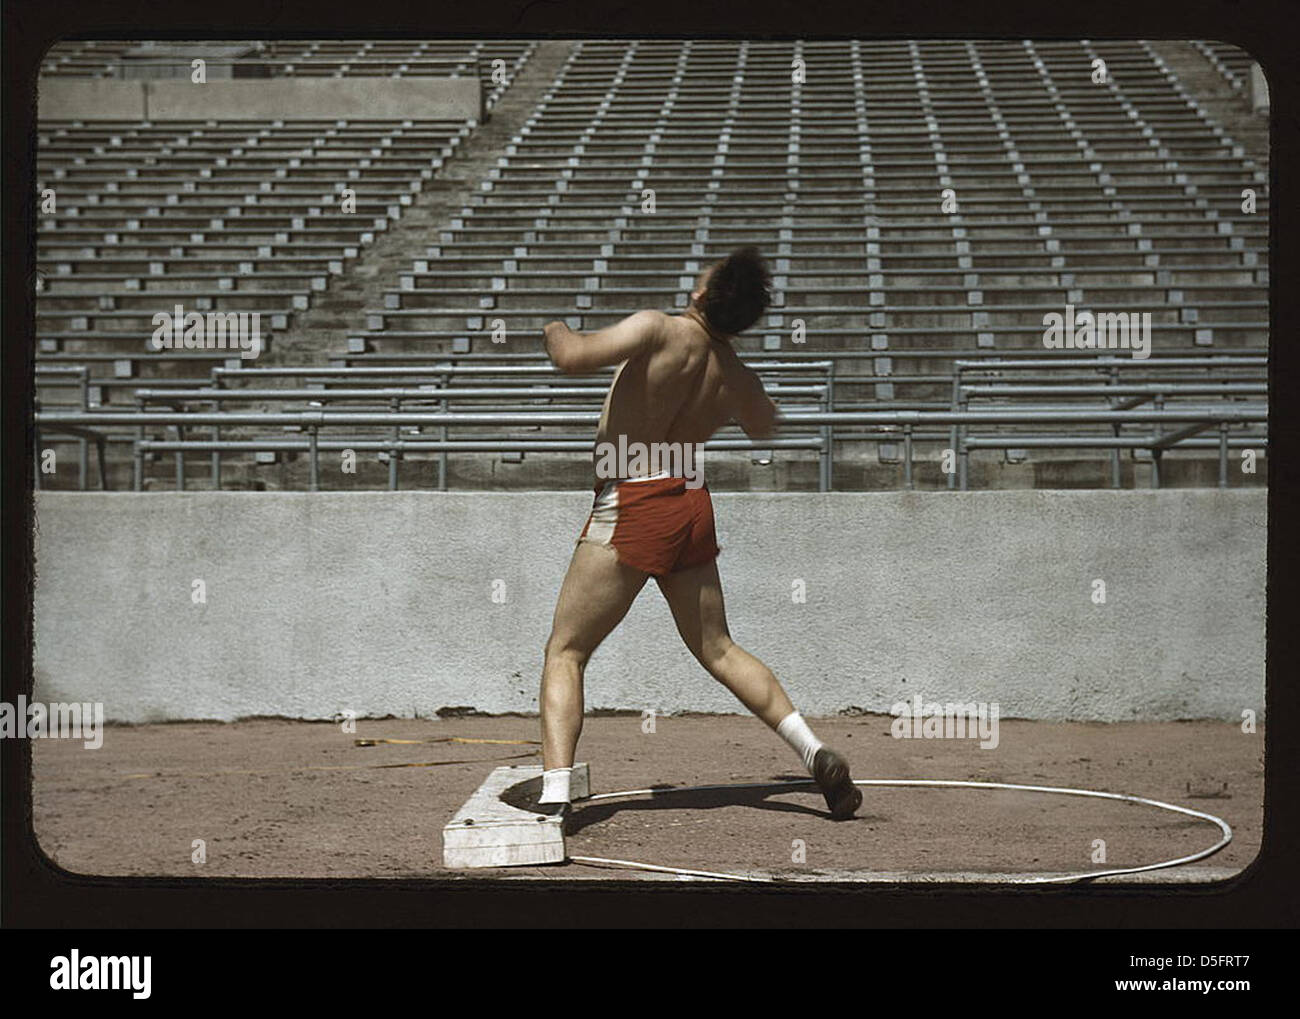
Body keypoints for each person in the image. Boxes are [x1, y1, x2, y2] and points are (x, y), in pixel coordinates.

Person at [534, 246, 861, 821]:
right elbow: (764, 424)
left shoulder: (658, 329)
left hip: (633, 496)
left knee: (566, 650)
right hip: (689, 497)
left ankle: (556, 796)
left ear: (704, 294)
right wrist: (726, 386)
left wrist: (550, 321)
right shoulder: (734, 372)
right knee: (718, 647)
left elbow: (571, 357)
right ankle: (813, 752)